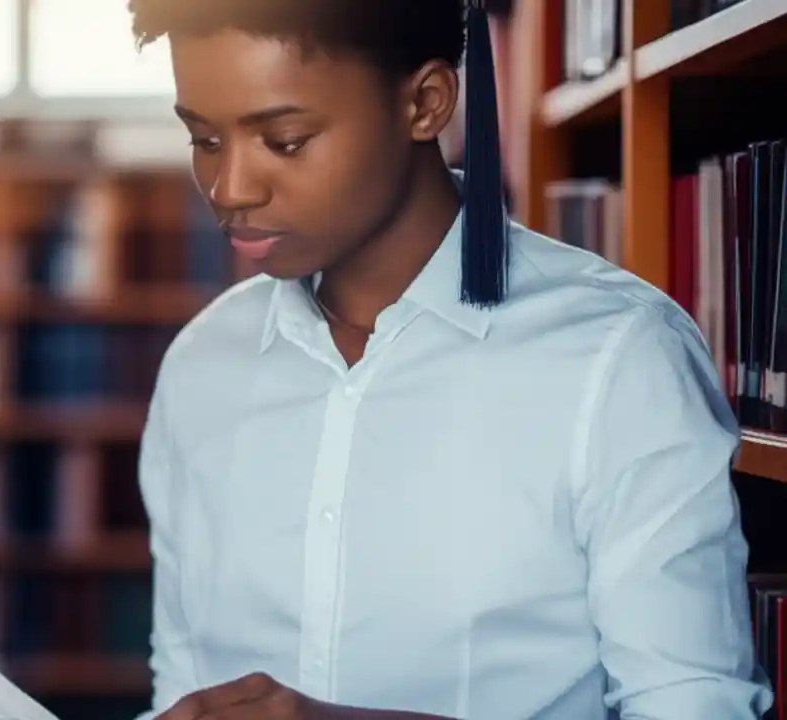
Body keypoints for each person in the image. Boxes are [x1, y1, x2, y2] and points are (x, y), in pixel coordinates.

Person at [127, 0, 774, 718]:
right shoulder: (202, 368)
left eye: (284, 139)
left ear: (426, 103)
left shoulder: (618, 360)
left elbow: (693, 708)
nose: (230, 189)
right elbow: (178, 687)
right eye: (205, 140)